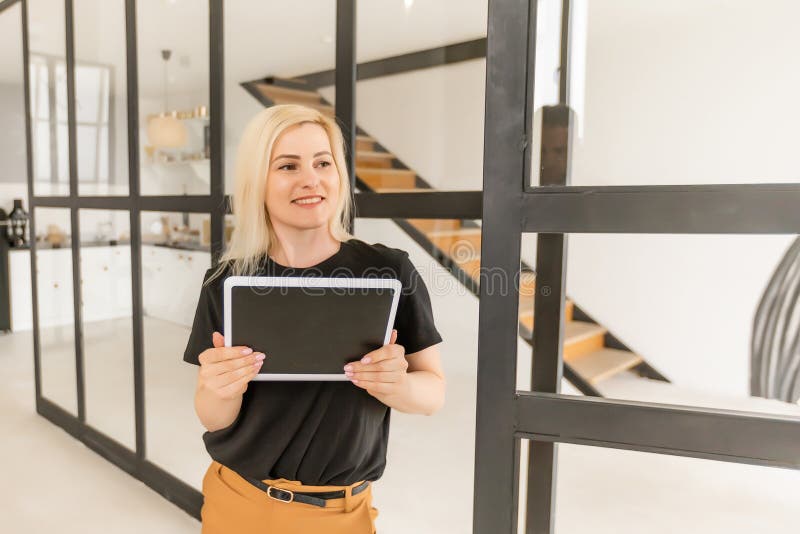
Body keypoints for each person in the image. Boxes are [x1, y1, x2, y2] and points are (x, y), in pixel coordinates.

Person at [182, 104, 446, 533]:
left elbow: (433, 394)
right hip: (241, 504)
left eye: (323, 163)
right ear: (258, 182)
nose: (311, 179)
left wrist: (397, 385)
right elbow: (213, 417)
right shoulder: (227, 282)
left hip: (346, 515)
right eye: (288, 166)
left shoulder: (389, 271)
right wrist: (220, 387)